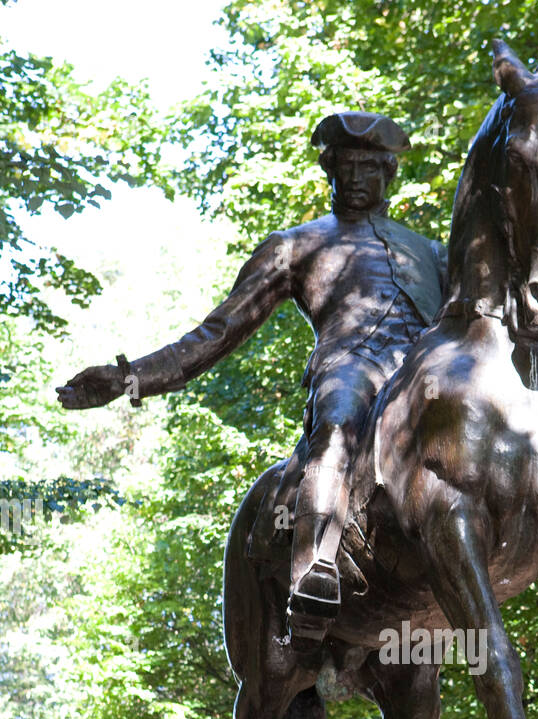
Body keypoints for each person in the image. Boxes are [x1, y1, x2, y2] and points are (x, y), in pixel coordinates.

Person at [57, 111, 448, 644]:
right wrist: (130, 380)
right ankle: (315, 565)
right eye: (345, 167)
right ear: (328, 170)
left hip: (427, 379)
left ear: (388, 173)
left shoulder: (431, 252)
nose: (356, 178)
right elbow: (215, 333)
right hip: (350, 372)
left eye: (369, 167)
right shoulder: (296, 245)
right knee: (335, 422)